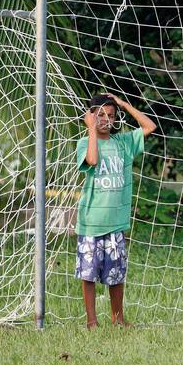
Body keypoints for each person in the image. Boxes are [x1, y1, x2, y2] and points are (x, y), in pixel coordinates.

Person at [76, 91, 156, 328]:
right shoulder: (85, 143)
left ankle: (117, 318)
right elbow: (91, 160)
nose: (105, 120)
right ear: (90, 117)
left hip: (116, 222)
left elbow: (150, 126)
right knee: (88, 275)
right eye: (100, 116)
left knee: (116, 275)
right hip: (91, 221)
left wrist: (122, 103)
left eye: (110, 115)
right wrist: (91, 129)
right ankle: (92, 321)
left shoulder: (124, 143)